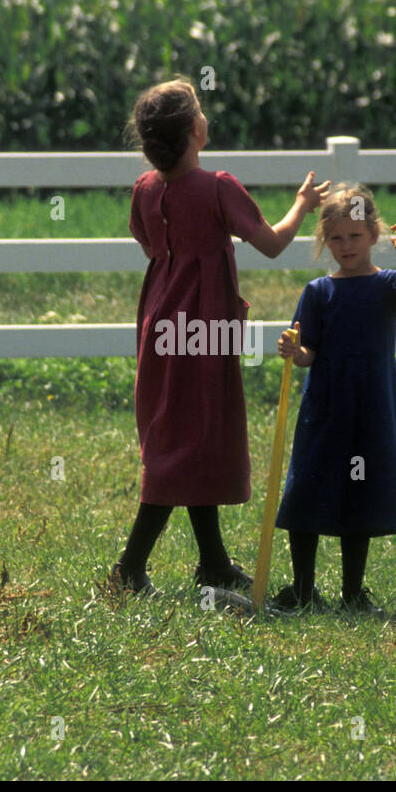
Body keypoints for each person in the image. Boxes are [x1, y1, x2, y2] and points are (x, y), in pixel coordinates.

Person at [111, 76, 330, 594]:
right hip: (204, 328)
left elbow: (145, 241)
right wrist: (302, 204)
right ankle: (129, 567)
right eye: (201, 111)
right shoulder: (217, 188)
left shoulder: (146, 188)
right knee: (188, 439)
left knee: (188, 434)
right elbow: (272, 245)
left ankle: (212, 561)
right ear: (194, 130)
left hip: (160, 325)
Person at [272, 185, 396, 613]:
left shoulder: (387, 285)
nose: (346, 246)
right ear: (325, 241)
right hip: (325, 408)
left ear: (374, 236)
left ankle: (352, 592)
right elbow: (309, 352)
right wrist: (297, 352)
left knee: (358, 487)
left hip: (372, 407)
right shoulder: (318, 292)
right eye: (337, 238)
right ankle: (304, 588)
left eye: (356, 236)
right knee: (308, 487)